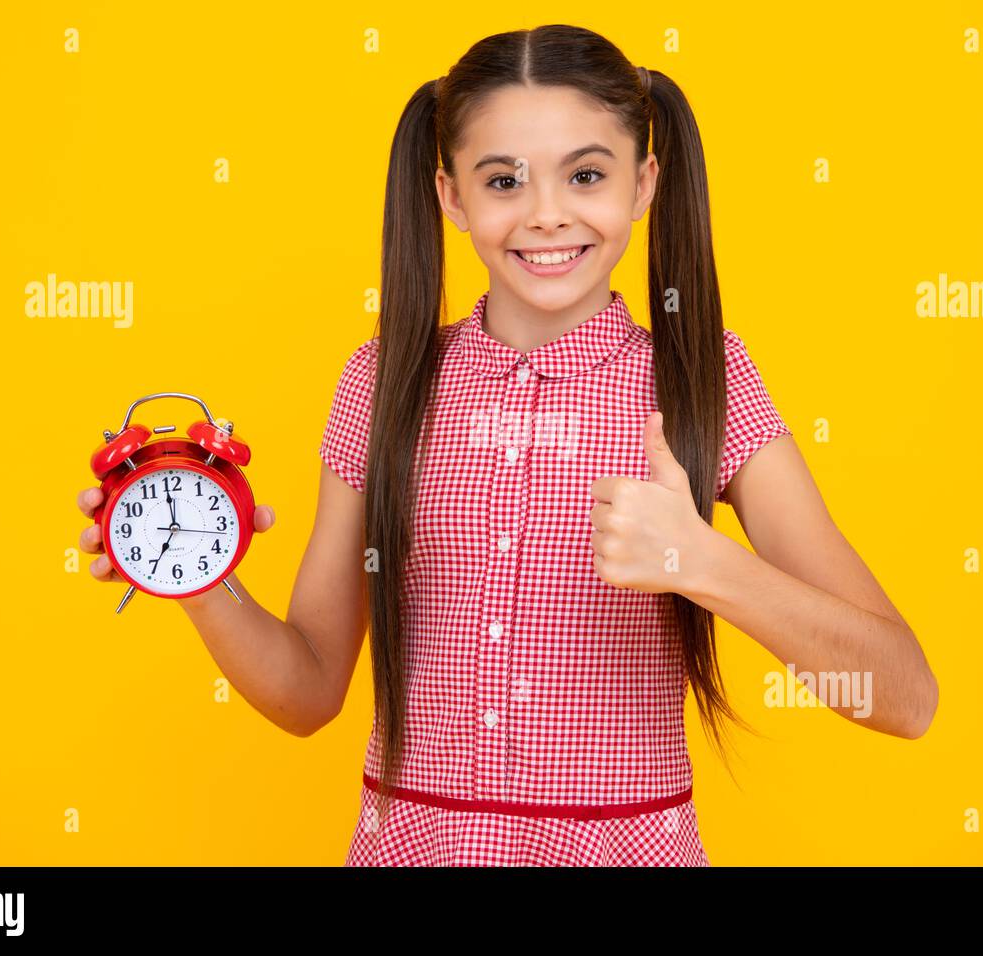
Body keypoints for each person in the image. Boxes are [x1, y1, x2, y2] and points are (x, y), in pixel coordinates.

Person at [75, 23, 938, 866]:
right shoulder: (382, 382)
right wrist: (189, 570)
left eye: (586, 175)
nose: (547, 215)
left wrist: (703, 562)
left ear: (643, 186)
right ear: (451, 195)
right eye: (503, 182)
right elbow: (307, 692)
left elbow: (904, 696)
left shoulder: (703, 380)